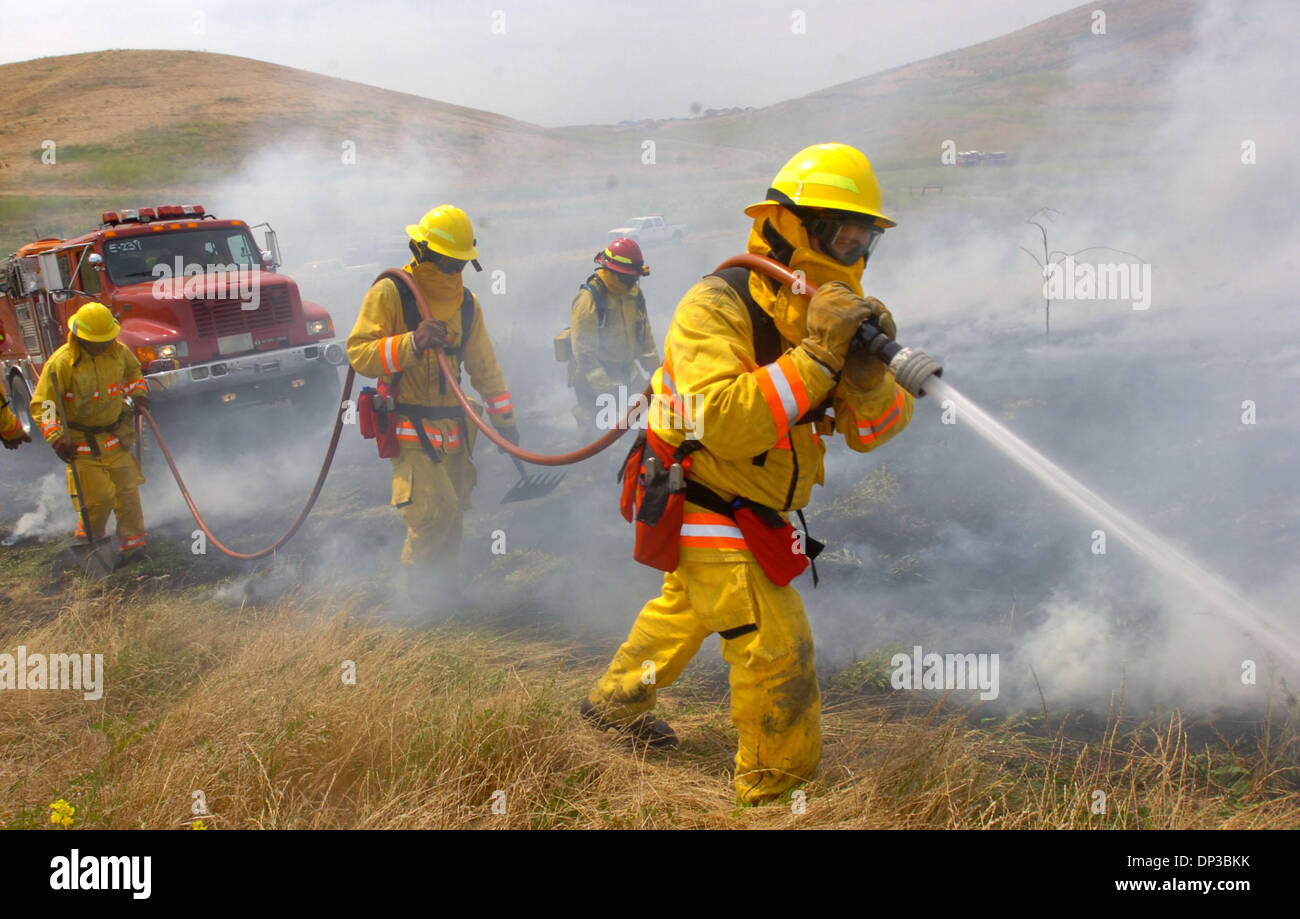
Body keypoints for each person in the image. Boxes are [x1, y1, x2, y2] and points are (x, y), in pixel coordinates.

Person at [582, 143, 916, 805]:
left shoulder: (816, 313)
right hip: (701, 492)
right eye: (839, 233)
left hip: (755, 506)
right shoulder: (715, 306)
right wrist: (818, 357)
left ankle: (612, 705)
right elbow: (726, 422)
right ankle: (774, 796)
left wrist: (868, 377)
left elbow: (873, 431)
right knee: (776, 646)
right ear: (788, 226)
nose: (851, 250)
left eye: (863, 237)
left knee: (684, 613)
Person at [346, 205, 518, 582]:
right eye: (446, 262)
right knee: (432, 514)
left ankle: (445, 597)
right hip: (408, 425)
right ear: (420, 251)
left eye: (459, 264)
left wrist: (506, 423)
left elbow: (484, 368)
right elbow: (359, 353)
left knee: (452, 515)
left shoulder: (467, 305)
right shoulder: (391, 293)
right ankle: (416, 599)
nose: (453, 271)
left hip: (455, 431)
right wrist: (412, 342)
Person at [30, 301, 149, 561]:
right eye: (99, 341)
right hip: (80, 443)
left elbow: (133, 372)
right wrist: (56, 438)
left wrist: (138, 394)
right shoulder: (61, 364)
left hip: (115, 436)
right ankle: (92, 544)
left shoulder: (118, 352)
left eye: (108, 339)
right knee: (98, 500)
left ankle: (133, 549)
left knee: (127, 494)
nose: (105, 345)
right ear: (81, 338)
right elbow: (44, 405)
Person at [567, 237, 659, 436]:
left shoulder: (634, 295)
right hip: (593, 377)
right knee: (598, 432)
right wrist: (606, 390)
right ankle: (596, 465)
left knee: (649, 417)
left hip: (626, 371)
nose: (632, 283)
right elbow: (584, 354)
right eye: (628, 278)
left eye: (635, 278)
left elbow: (645, 339)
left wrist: (657, 375)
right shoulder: (589, 300)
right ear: (612, 272)